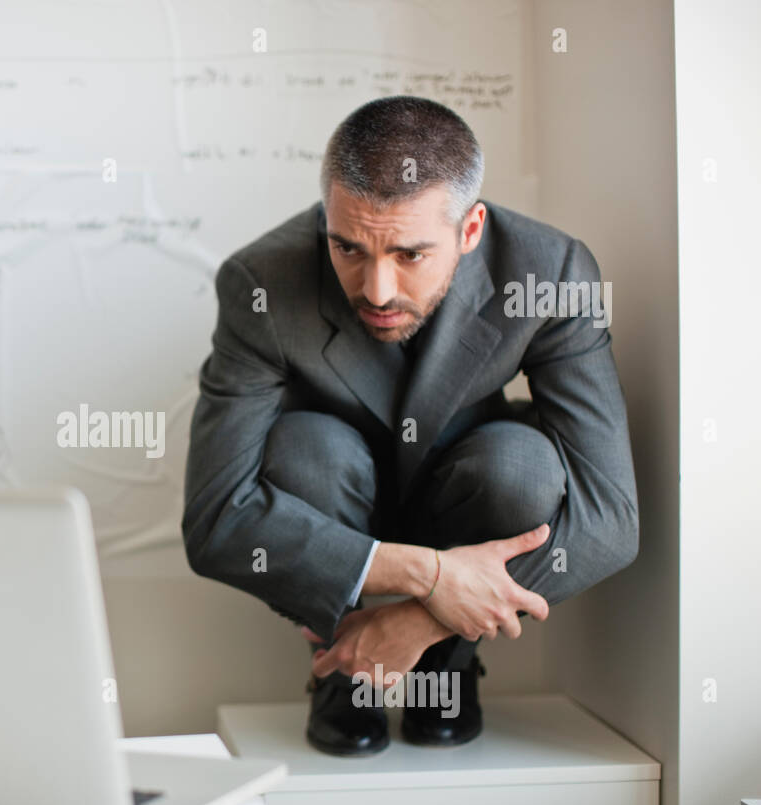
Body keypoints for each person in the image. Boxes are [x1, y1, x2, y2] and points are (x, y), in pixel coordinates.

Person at [181, 95, 639, 755]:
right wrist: (429, 575)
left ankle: (447, 663)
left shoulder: (551, 274)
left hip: (469, 485)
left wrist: (427, 620)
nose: (376, 289)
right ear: (326, 218)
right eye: (347, 247)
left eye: (410, 254)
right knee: (307, 451)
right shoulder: (260, 283)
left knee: (522, 467)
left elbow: (611, 521)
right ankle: (346, 670)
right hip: (334, 497)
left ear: (471, 229)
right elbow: (215, 517)